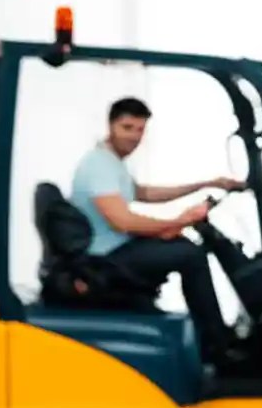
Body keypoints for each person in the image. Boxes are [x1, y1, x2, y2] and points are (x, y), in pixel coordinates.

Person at [69, 97, 246, 365]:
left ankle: (214, 337)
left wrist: (206, 183)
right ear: (111, 125)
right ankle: (217, 347)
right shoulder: (99, 165)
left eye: (140, 130)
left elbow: (146, 193)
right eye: (127, 128)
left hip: (117, 248)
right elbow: (123, 221)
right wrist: (178, 222)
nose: (134, 137)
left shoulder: (113, 161)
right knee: (190, 255)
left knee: (184, 245)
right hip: (104, 259)